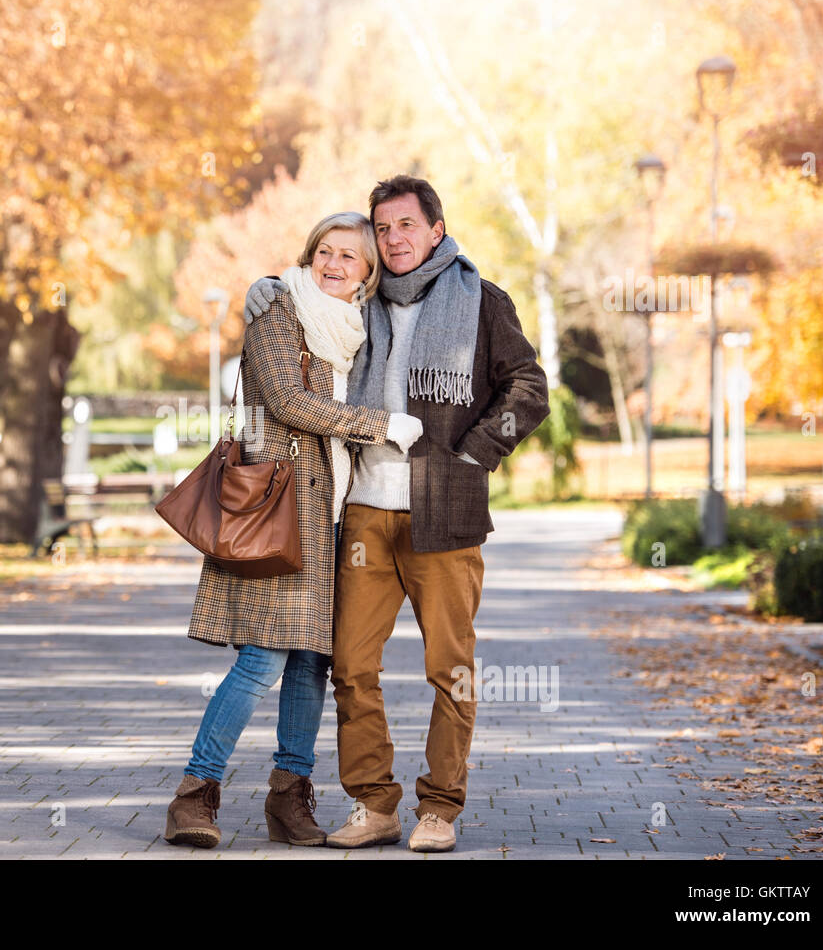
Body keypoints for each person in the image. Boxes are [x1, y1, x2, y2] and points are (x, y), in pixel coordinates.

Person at [243, 175, 550, 851]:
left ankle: (439, 808)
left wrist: (473, 453)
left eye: (407, 225)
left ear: (436, 230)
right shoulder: (364, 298)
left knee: (451, 667)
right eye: (383, 229)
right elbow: (310, 294)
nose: (393, 239)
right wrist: (266, 286)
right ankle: (374, 804)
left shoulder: (481, 301)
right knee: (351, 665)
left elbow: (529, 386)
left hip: (446, 515)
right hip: (364, 514)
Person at [165, 211, 424, 848]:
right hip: (280, 517)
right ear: (308, 256)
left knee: (312, 665)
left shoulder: (353, 330)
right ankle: (195, 796)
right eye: (325, 252)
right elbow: (287, 403)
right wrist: (381, 424)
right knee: (263, 661)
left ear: (367, 275)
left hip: (334, 517)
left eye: (350, 257)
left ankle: (290, 799)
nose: (334, 265)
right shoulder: (279, 309)